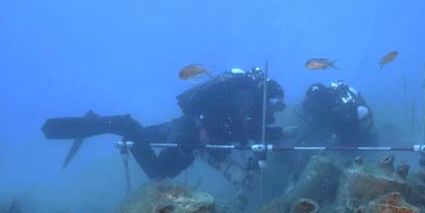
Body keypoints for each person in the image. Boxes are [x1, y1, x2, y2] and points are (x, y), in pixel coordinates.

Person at [41, 67, 285, 189]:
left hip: (183, 125)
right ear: (268, 96)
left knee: (144, 136)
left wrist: (273, 134)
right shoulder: (247, 97)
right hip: (188, 134)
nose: (275, 112)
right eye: (276, 106)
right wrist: (248, 140)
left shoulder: (246, 102)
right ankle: (124, 124)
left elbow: (239, 130)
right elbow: (237, 129)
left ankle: (95, 122)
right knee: (159, 174)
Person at [297, 80, 377, 146]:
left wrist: (336, 140)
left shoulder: (339, 110)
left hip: (351, 130)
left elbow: (347, 136)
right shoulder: (322, 106)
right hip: (335, 122)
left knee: (349, 139)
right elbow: (316, 122)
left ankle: (369, 138)